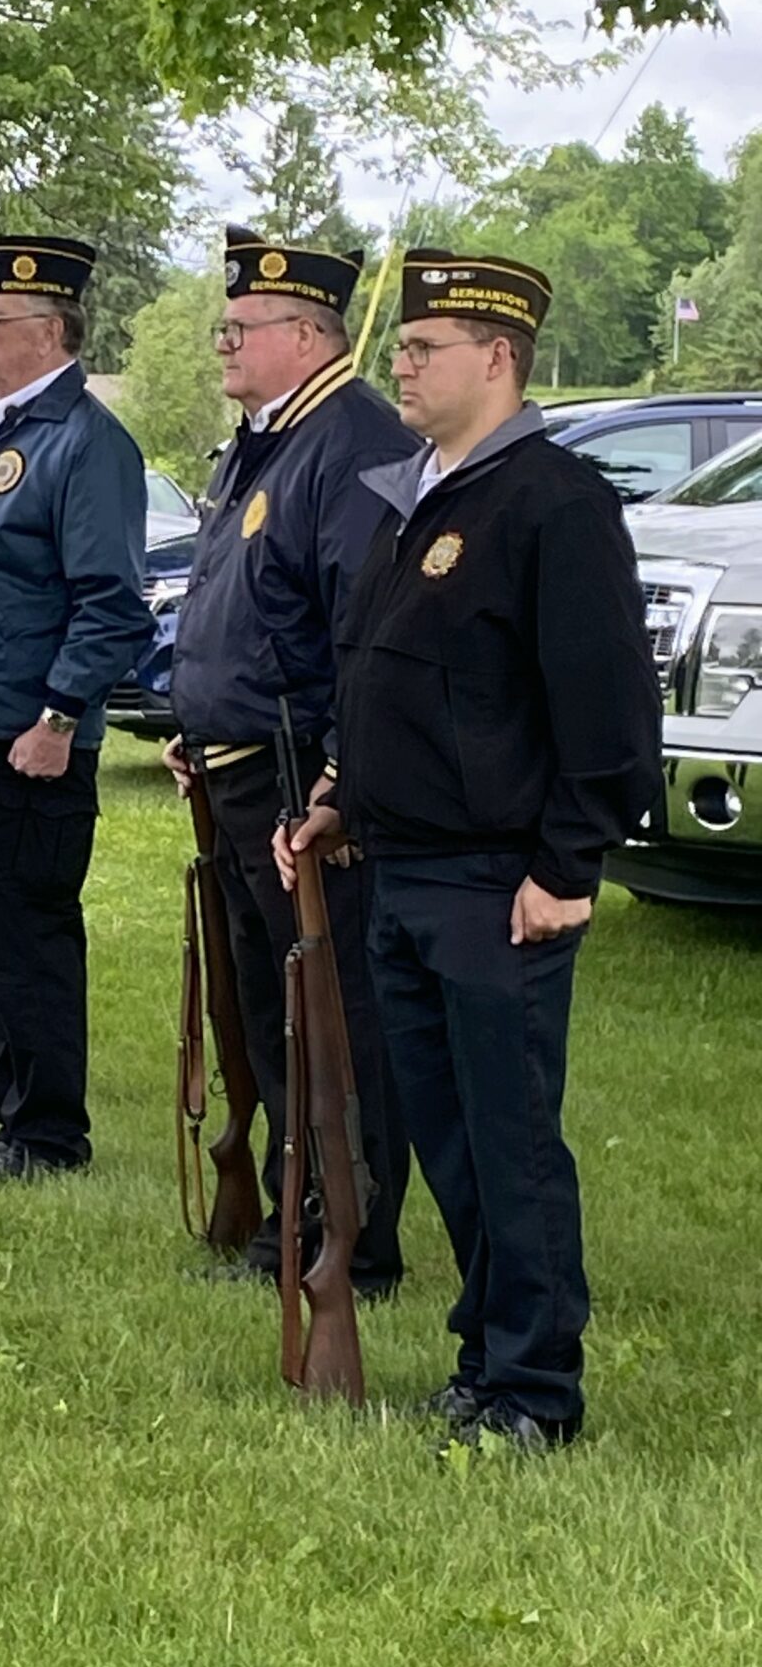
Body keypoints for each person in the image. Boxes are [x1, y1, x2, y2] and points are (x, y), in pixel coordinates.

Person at [279, 251, 662, 1451]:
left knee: (508, 1136)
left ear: (499, 360)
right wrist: (343, 790)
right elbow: (381, 679)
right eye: (402, 345)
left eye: (426, 347)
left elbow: (605, 710)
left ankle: (536, 1388)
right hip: (399, 867)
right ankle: (485, 1357)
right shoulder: (416, 498)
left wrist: (567, 868)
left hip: (500, 882)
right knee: (446, 1138)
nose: (400, 359)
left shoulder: (552, 501)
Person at [166, 226, 417, 1298]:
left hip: (293, 783)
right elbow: (244, 609)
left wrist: (329, 782)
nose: (222, 344)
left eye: (240, 328)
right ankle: (290, 1213)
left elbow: (356, 633)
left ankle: (349, 1235)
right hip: (227, 772)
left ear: (309, 334)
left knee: (337, 1016)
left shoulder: (350, 441)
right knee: (269, 1011)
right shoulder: (261, 441)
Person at [0, 232, 152, 1180]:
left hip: (26, 738)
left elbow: (110, 602)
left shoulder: (84, 443)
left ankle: (47, 1134)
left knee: (26, 936)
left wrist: (57, 717)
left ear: (49, 333)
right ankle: (9, 1117)